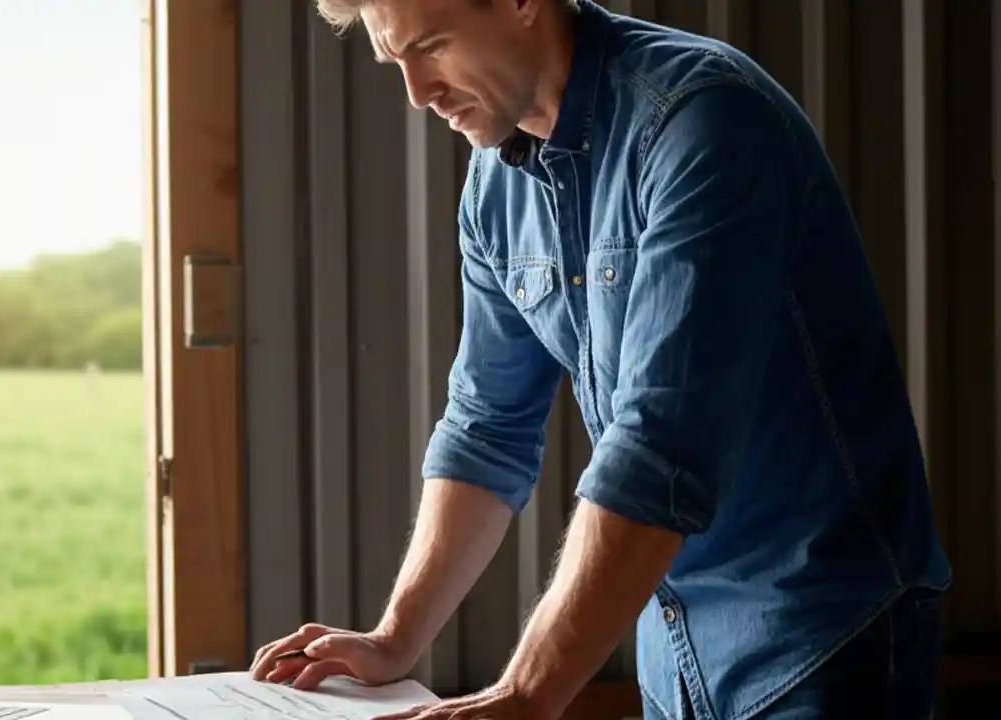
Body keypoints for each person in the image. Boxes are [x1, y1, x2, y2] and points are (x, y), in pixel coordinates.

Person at [249, 1, 952, 718]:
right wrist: (396, 638)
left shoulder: (704, 121)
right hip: (671, 648)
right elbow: (486, 426)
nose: (416, 92)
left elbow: (660, 446)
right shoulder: (494, 185)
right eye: (393, 60)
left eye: (430, 46)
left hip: (819, 643)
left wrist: (526, 693)